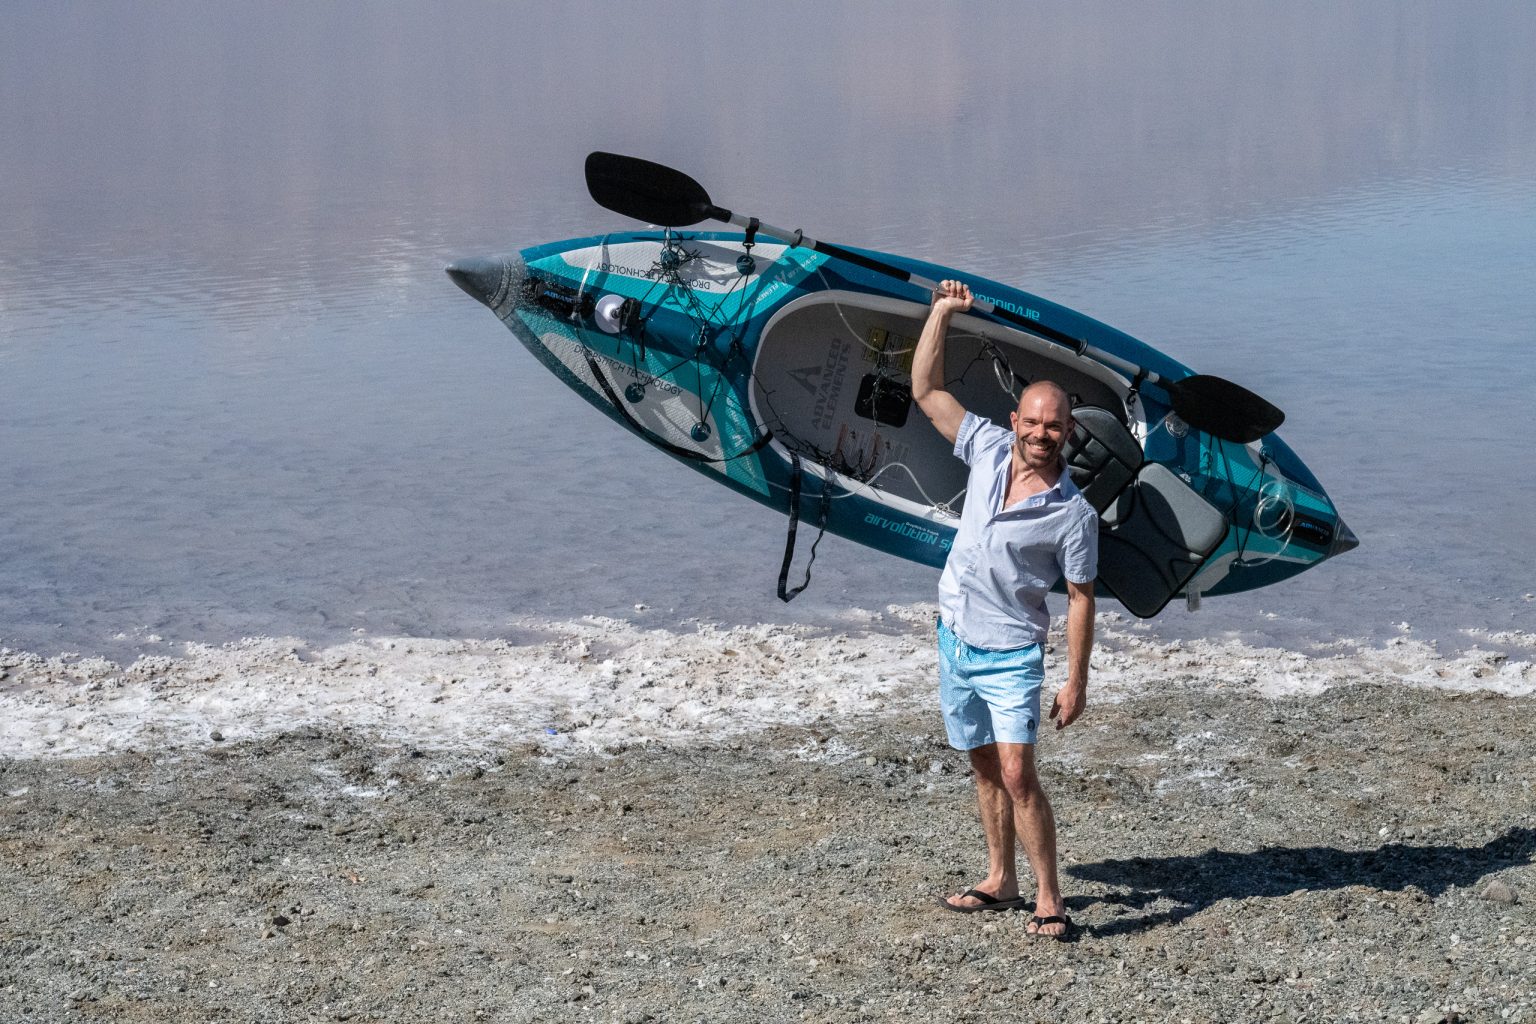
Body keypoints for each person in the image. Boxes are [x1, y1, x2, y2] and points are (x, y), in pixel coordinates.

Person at [910, 279, 1098, 941]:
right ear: (1016, 421)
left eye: (1055, 425)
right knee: (984, 764)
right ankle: (1001, 879)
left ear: (1067, 432)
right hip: (955, 637)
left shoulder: (1074, 514)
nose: (1042, 433)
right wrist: (941, 313)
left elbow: (1080, 599)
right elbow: (926, 390)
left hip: (1012, 651)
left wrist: (1076, 679)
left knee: (1019, 772)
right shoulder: (988, 447)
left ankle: (1050, 898)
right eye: (1034, 421)